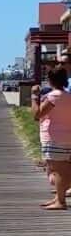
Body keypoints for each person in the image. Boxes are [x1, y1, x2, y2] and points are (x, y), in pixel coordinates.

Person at [33, 68, 71, 210]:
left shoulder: (53, 97)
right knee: (62, 169)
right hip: (67, 136)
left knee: (57, 170)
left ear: (51, 80)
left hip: (54, 138)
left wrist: (34, 97)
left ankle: (61, 201)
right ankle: (57, 198)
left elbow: (37, 114)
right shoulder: (68, 96)